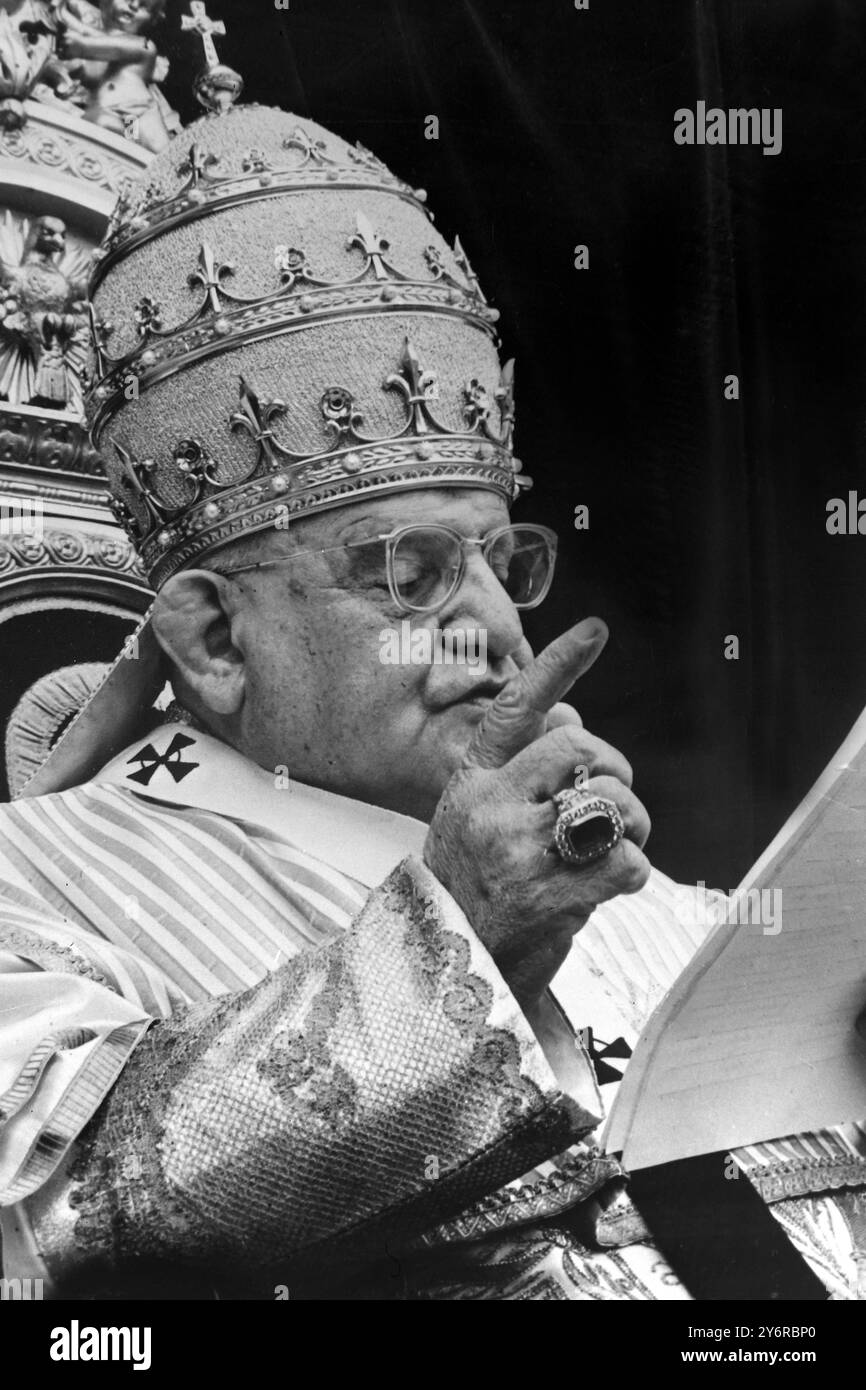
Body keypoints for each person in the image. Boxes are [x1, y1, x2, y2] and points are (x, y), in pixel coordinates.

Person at [1, 95, 864, 1302]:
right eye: (408, 571)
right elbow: (57, 1227)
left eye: (502, 563)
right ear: (210, 639)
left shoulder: (642, 891)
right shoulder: (28, 890)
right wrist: (456, 937)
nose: (499, 626)